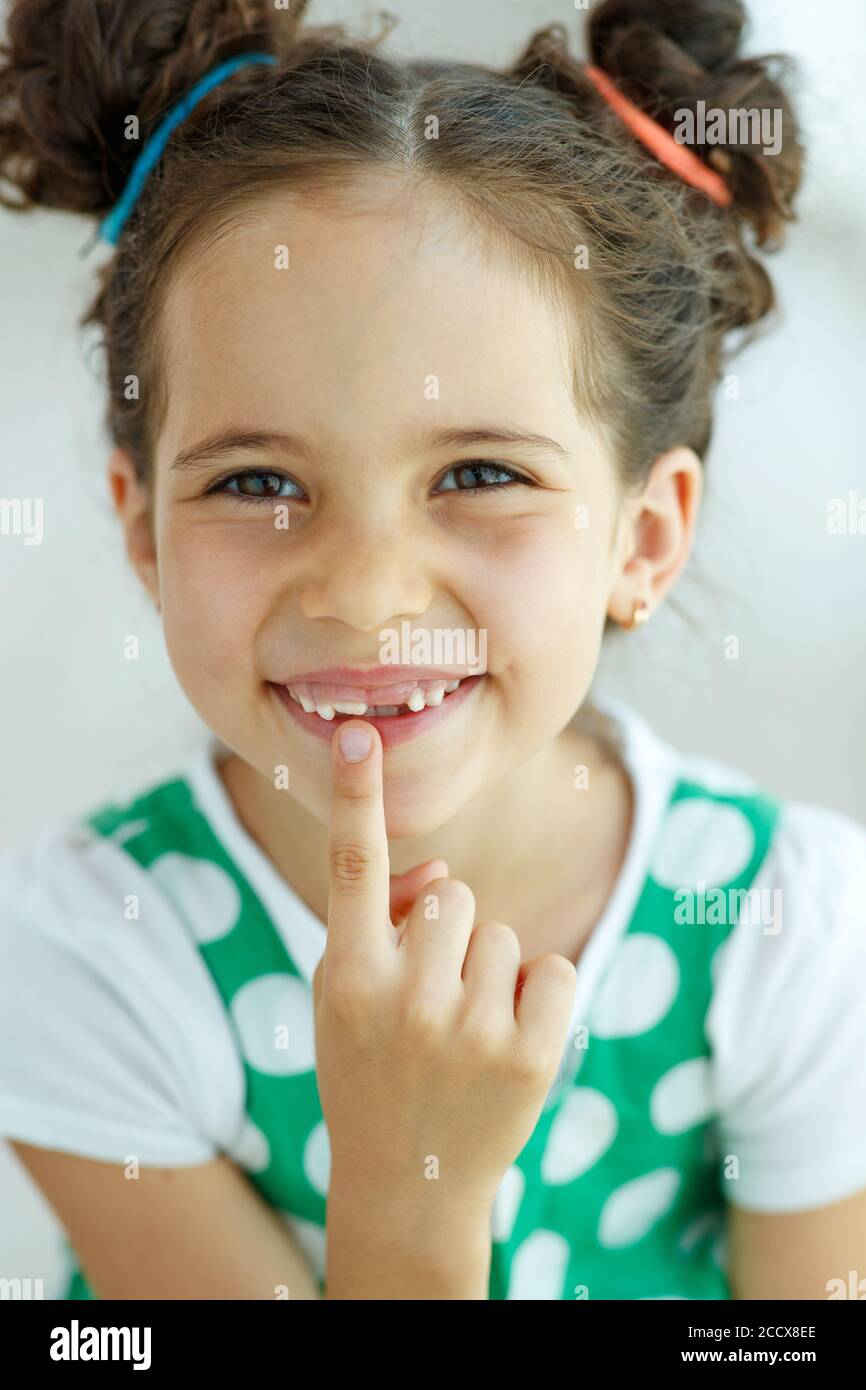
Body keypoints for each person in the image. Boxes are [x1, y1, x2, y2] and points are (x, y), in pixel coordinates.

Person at [1, 0, 864, 1300]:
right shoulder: (83, 955)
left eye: (475, 470)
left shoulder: (785, 933)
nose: (360, 592)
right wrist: (414, 1186)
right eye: (251, 483)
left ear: (641, 536)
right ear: (143, 533)